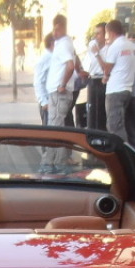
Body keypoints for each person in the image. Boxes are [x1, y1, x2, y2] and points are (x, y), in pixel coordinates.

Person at [43, 14, 78, 172]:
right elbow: (75, 61)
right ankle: (51, 161)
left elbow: (70, 65)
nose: (54, 32)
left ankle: (56, 163)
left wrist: (62, 84)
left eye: (57, 29)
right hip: (56, 92)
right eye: (53, 29)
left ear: (63, 27)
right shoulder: (64, 43)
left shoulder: (63, 44)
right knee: (55, 127)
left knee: (56, 129)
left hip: (59, 93)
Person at [100, 19, 135, 152]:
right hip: (128, 88)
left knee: (115, 127)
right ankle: (130, 153)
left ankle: (122, 154)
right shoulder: (132, 46)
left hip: (115, 91)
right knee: (125, 125)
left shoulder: (115, 47)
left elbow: (106, 68)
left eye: (106, 33)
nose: (106, 37)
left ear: (111, 32)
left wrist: (97, 54)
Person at [83, 22, 108, 131]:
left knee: (101, 112)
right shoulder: (92, 44)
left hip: (103, 80)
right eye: (95, 33)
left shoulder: (109, 48)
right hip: (92, 79)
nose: (95, 36)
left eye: (99, 33)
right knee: (91, 110)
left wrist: (98, 54)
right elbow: (88, 62)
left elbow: (106, 69)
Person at [32, 32, 53, 125]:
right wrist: (44, 102)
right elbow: (38, 82)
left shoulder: (54, 57)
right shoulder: (45, 59)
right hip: (48, 102)